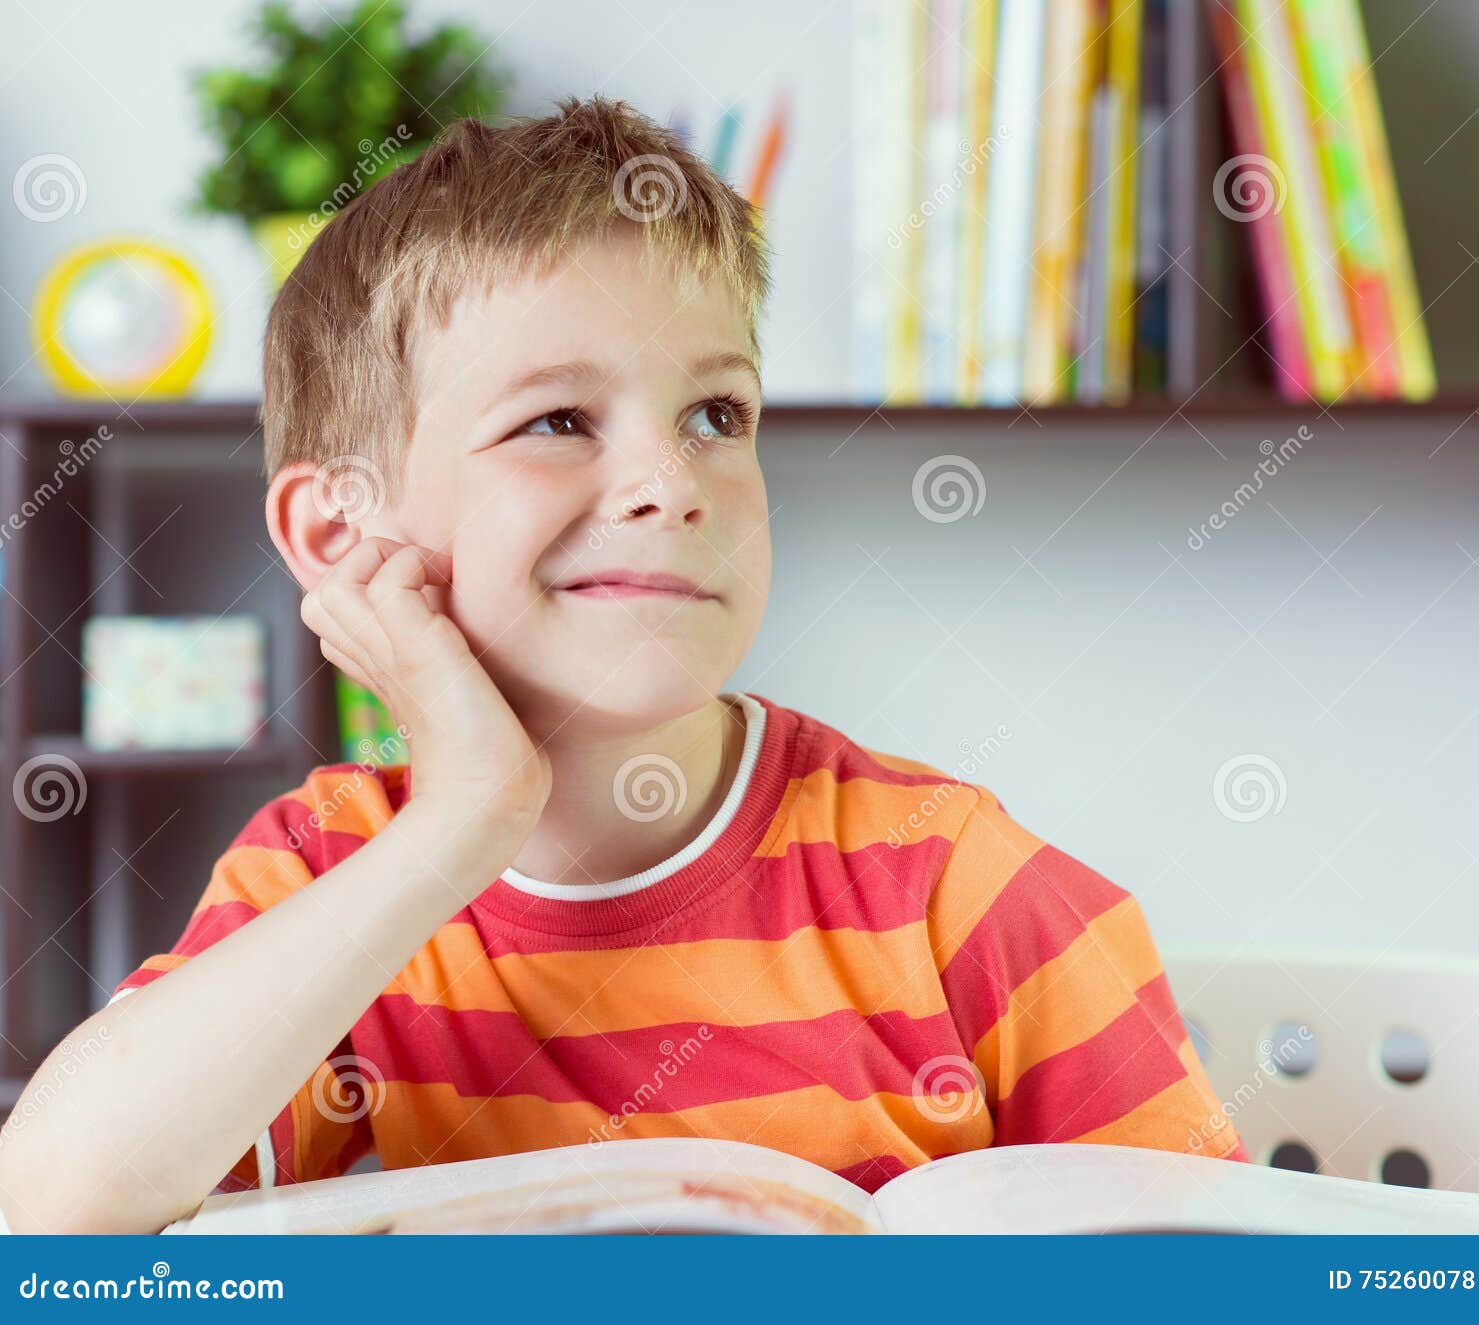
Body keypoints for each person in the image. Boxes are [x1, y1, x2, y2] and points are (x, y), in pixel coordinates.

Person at [0, 97, 1243, 1235]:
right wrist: (467, 819)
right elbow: (50, 1207)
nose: (669, 486)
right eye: (557, 420)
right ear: (341, 534)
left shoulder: (953, 883)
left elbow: (1232, 1279)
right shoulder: (331, 876)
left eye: (718, 414)